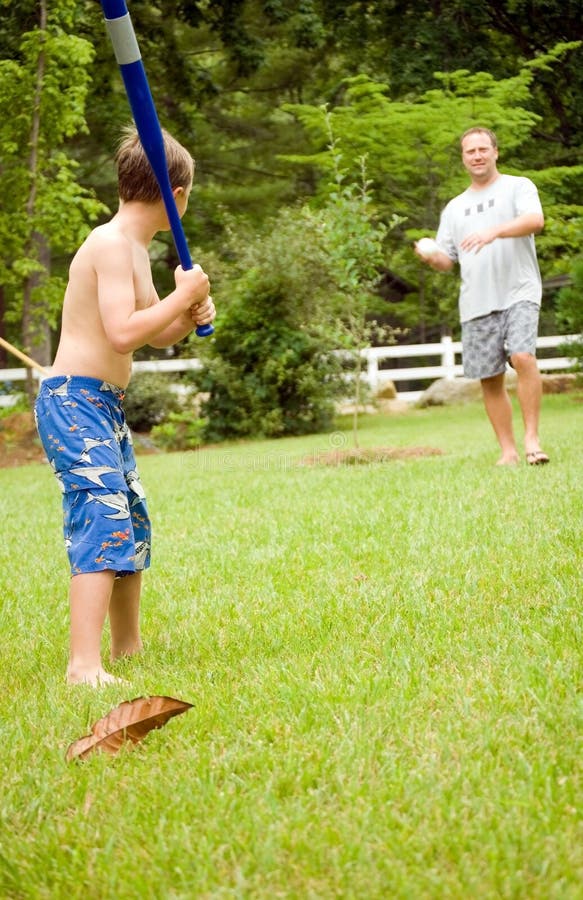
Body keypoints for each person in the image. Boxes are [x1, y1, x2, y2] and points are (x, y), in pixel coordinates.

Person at [34, 126, 215, 686]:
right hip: (73, 401)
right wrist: (183, 297)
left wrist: (186, 316)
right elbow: (120, 333)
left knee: (130, 517)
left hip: (101, 402)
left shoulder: (135, 249)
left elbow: (153, 333)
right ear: (176, 196)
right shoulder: (110, 244)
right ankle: (82, 666)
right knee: (102, 517)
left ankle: (128, 647)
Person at [415, 126, 549, 467]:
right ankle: (508, 451)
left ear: (495, 152)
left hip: (519, 289)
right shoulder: (454, 209)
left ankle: (532, 439)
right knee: (490, 378)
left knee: (523, 357)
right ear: (463, 158)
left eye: (482, 149)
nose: (477, 156)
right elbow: (448, 260)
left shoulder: (518, 187)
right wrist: (431, 257)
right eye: (470, 151)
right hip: (475, 301)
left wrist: (495, 230)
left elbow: (536, 220)